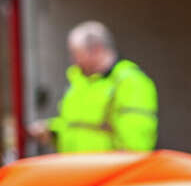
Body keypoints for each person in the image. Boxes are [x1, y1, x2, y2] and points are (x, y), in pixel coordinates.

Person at [28, 21, 157, 153]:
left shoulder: (131, 82)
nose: (73, 60)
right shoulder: (81, 82)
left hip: (109, 172)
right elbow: (78, 126)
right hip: (78, 171)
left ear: (97, 49)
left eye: (76, 53)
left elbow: (136, 146)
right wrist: (53, 131)